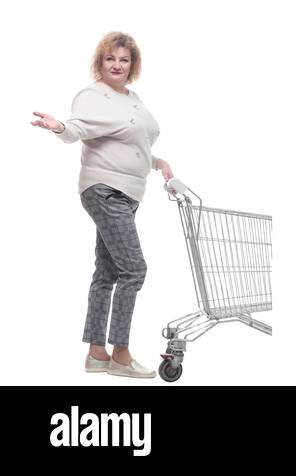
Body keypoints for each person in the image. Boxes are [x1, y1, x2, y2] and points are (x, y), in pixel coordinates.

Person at [31, 31, 174, 379]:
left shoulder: (133, 99)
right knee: (134, 269)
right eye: (111, 58)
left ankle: (97, 353)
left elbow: (133, 141)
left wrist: (157, 163)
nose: (117, 65)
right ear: (100, 61)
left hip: (129, 193)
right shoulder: (93, 95)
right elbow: (77, 128)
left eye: (124, 60)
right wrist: (58, 126)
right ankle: (121, 355)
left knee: (108, 271)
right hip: (104, 189)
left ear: (132, 65)